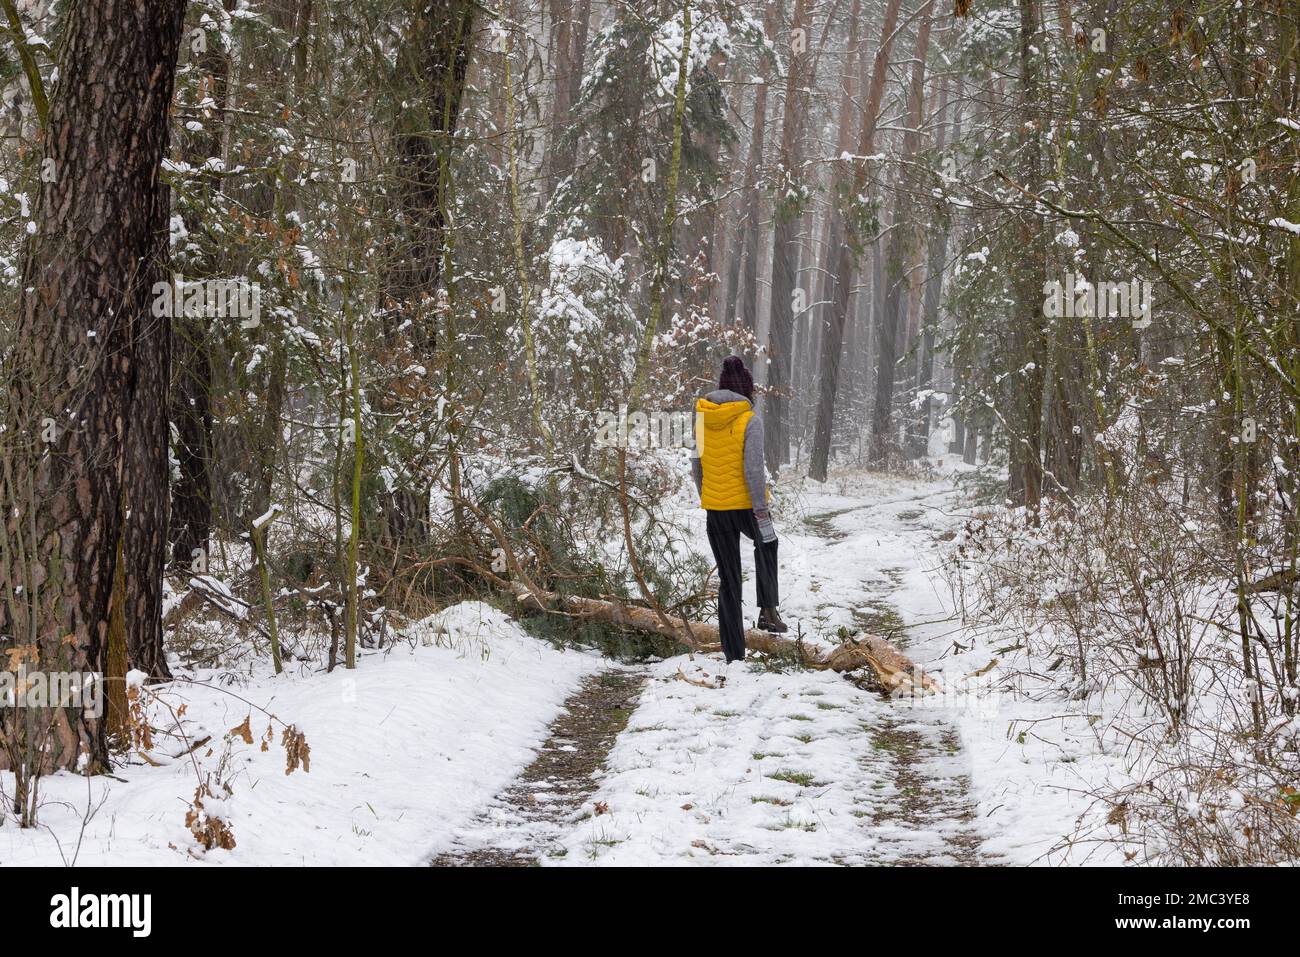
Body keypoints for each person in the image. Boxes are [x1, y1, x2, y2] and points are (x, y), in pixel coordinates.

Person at [691, 355, 788, 666]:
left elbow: (696, 464)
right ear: (747, 391)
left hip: (716, 510)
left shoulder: (701, 418)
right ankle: (767, 609)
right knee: (768, 542)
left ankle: (734, 654)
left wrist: (708, 496)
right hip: (747, 506)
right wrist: (761, 510)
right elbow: (753, 470)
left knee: (729, 580)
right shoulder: (750, 420)